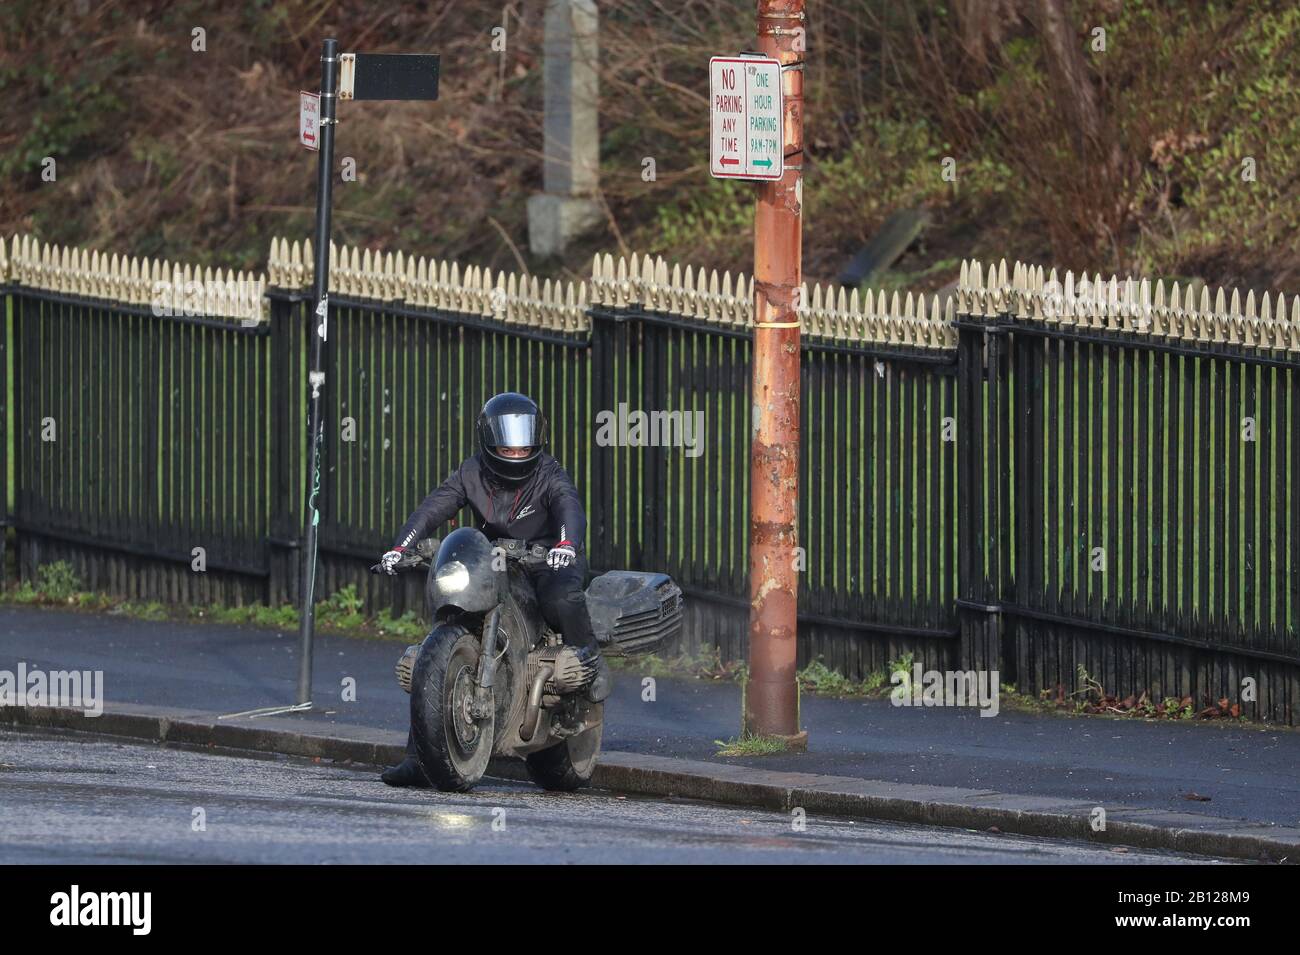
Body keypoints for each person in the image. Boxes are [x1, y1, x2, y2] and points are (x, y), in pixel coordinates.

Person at [377, 392, 611, 787]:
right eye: (507, 443)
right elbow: (435, 506)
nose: (516, 450)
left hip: (546, 559)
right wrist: (401, 547)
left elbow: (569, 508)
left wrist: (566, 545)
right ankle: (420, 758)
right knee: (450, 626)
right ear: (489, 439)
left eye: (523, 441)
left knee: (561, 598)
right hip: (494, 558)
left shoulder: (550, 474)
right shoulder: (472, 473)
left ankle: (590, 663)